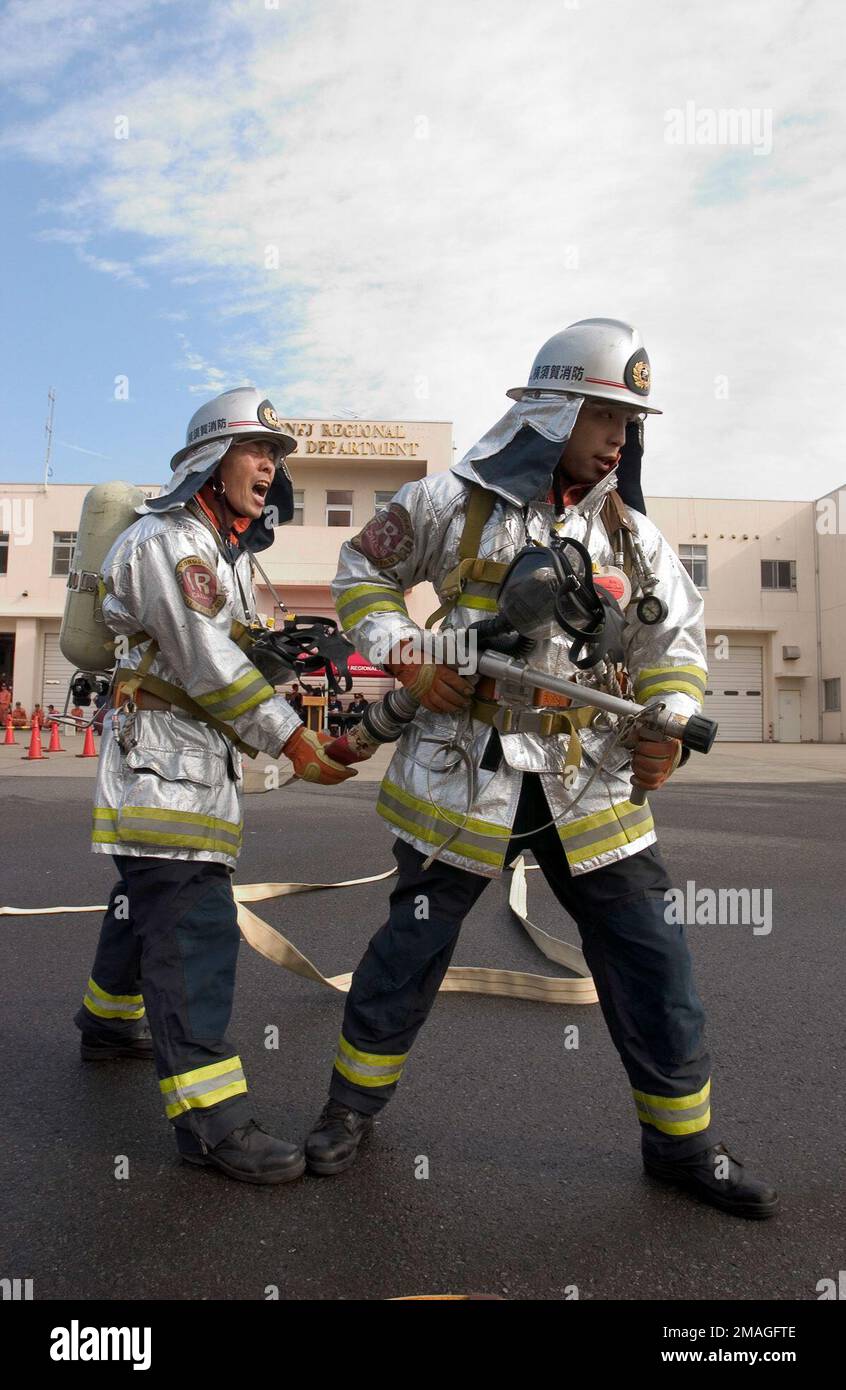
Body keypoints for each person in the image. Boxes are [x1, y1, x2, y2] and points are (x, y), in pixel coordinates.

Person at [306, 319, 778, 1219]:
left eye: (630, 420)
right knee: (410, 947)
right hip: (462, 774)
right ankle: (347, 1108)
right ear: (557, 409)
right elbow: (359, 574)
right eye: (607, 414)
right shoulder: (449, 501)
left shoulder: (634, 538)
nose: (621, 436)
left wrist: (668, 726)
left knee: (653, 960)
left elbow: (670, 646)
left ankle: (683, 1147)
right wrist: (407, 652)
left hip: (586, 783)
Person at [74, 387, 355, 1185]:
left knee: (148, 900)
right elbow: (205, 663)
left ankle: (105, 1022)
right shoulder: (171, 542)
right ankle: (211, 1121)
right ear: (210, 457)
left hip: (185, 766)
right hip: (165, 770)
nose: (270, 467)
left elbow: (223, 654)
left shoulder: (223, 554)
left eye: (276, 456)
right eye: (256, 451)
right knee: (192, 927)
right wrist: (293, 740)